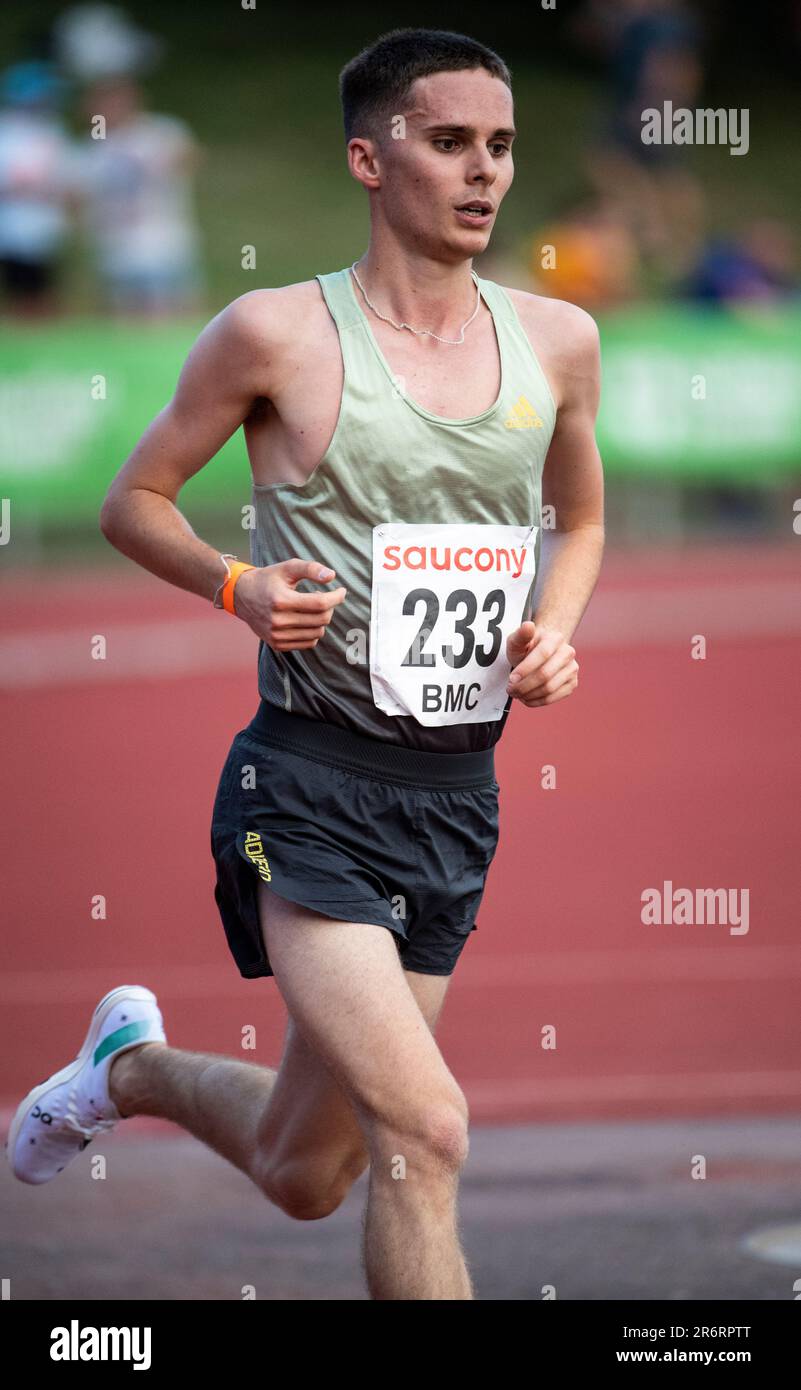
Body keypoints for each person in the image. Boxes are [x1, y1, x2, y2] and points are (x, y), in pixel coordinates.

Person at [7, 28, 605, 1301]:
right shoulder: (274, 335)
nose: (483, 171)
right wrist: (239, 584)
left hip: (458, 799)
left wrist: (554, 626)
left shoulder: (558, 343)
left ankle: (130, 1070)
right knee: (427, 1132)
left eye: (500, 144)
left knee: (307, 1169)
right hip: (308, 791)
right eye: (448, 142)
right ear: (367, 158)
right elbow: (136, 501)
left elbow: (586, 518)